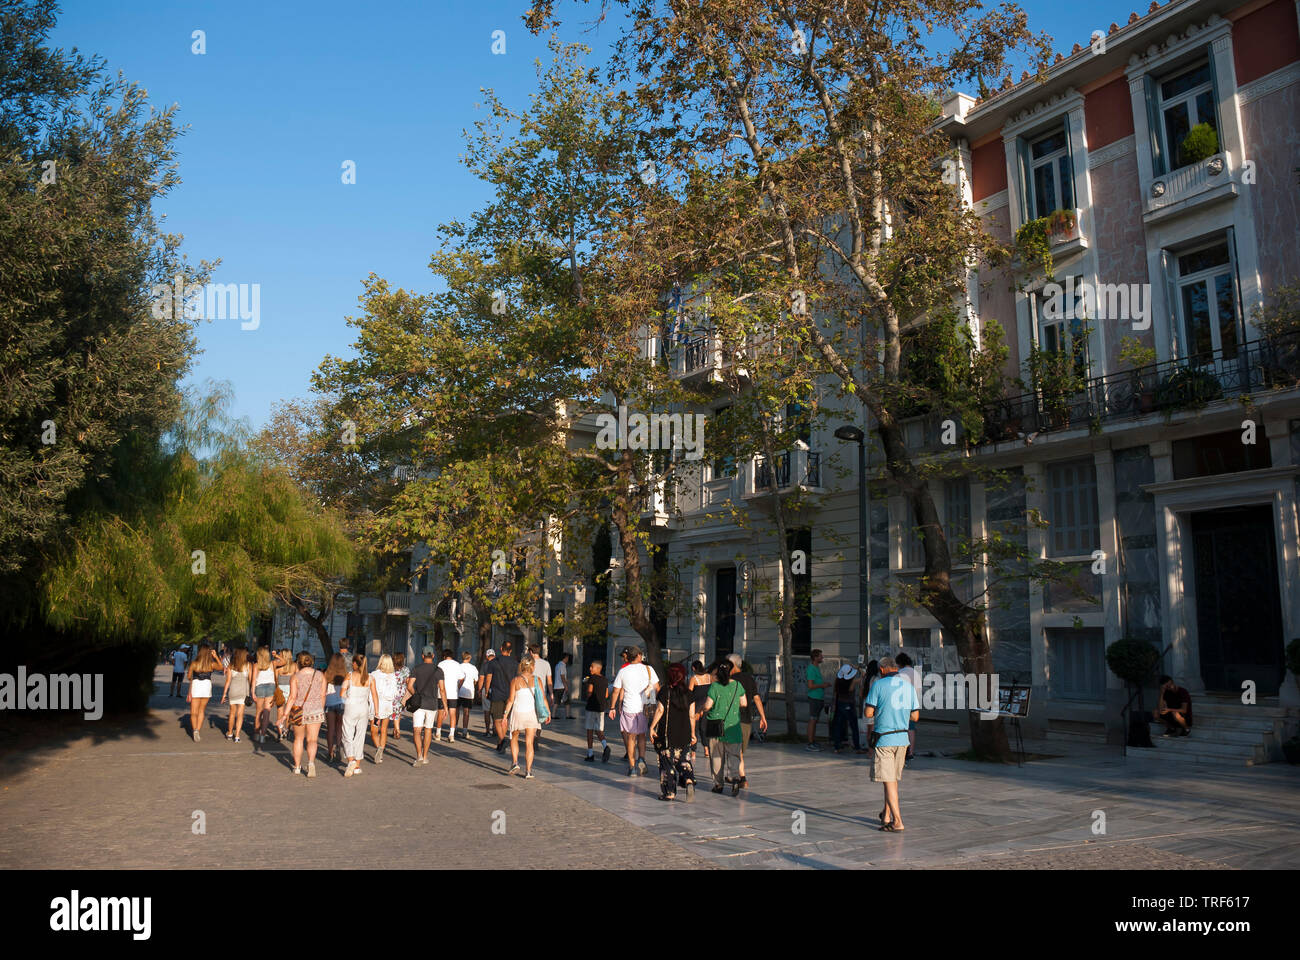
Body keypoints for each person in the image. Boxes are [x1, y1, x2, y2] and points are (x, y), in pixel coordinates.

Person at [864, 656, 920, 831]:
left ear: (881, 669)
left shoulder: (878, 685)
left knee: (888, 780)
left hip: (884, 739)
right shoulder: (908, 687)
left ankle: (898, 821)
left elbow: (868, 713)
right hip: (902, 740)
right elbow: (915, 716)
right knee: (892, 781)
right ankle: (886, 814)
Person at [609, 646, 659, 777]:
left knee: (631, 737)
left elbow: (616, 690)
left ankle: (632, 766)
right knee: (642, 735)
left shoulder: (623, 671)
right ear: (638, 655)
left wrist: (612, 707)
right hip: (645, 707)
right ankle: (642, 758)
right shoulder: (649, 669)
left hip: (629, 707)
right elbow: (657, 687)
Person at [650, 662, 696, 801]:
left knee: (667, 763)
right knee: (683, 759)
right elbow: (692, 715)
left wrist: (652, 727)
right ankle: (688, 780)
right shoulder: (689, 693)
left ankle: (669, 792)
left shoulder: (665, 691)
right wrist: (693, 733)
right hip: (685, 732)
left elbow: (660, 710)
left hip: (667, 733)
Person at [703, 661, 748, 796]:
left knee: (716, 757)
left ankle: (718, 784)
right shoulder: (737, 685)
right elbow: (744, 703)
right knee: (734, 755)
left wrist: (704, 710)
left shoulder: (714, 687)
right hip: (733, 726)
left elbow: (707, 706)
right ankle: (735, 779)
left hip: (716, 727)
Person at [503, 655, 548, 778]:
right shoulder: (537, 680)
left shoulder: (515, 681)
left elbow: (511, 700)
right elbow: (543, 698)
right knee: (529, 743)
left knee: (514, 738)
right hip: (531, 714)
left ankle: (515, 762)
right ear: (532, 666)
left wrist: (505, 715)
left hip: (518, 713)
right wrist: (547, 712)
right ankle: (528, 771)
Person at [725, 653, 766, 787]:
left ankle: (740, 777)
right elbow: (757, 697)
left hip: (732, 720)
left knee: (734, 751)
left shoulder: (729, 680)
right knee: (740, 751)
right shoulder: (749, 679)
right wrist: (763, 717)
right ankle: (740, 777)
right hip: (746, 721)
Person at [285, 652, 325, 777]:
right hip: (316, 711)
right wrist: (320, 708)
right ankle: (311, 763)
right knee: (312, 740)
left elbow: (292, 697)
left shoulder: (295, 677)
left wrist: (285, 714)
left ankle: (297, 767)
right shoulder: (320, 675)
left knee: (298, 739)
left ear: (299, 662)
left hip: (299, 711)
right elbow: (323, 694)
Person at [341, 653, 377, 776]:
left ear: (355, 664)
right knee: (360, 736)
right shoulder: (370, 678)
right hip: (364, 708)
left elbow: (342, 693)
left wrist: (345, 701)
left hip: (351, 706)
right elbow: (374, 696)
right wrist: (376, 712)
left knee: (347, 734)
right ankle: (357, 766)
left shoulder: (350, 676)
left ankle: (351, 760)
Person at [482, 640, 519, 754]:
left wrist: (487, 691)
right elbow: (517, 679)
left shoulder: (494, 662)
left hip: (497, 693)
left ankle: (502, 740)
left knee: (497, 720)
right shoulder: (515, 663)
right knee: (505, 719)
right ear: (510, 651)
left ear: (501, 648)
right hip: (510, 695)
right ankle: (500, 742)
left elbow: (488, 678)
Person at [407, 646, 441, 766]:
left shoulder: (416, 668)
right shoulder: (438, 670)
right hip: (432, 704)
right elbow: (442, 689)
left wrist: (415, 695)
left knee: (417, 730)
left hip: (419, 703)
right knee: (428, 729)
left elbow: (409, 685)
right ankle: (426, 756)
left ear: (422, 656)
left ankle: (419, 756)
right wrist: (446, 707)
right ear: (433, 656)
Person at [185, 642, 223, 742]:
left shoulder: (194, 663)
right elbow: (221, 668)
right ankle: (197, 730)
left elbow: (189, 677)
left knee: (193, 712)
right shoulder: (211, 664)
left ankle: (195, 731)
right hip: (206, 686)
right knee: (201, 710)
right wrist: (216, 657)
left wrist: (192, 675)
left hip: (196, 685)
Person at [370, 653, 399, 762]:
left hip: (376, 706)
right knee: (384, 729)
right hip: (387, 705)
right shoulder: (393, 676)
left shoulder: (374, 674)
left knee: (374, 730)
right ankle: (381, 749)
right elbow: (395, 692)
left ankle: (379, 748)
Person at [220, 647, 253, 743]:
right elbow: (250, 680)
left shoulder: (231, 665)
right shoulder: (248, 665)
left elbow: (228, 681)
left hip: (233, 692)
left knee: (232, 713)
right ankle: (237, 736)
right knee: (240, 715)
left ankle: (230, 733)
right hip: (243, 692)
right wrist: (251, 692)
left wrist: (224, 694)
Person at [831, 663, 865, 754]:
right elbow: (863, 676)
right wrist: (858, 668)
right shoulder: (852, 682)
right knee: (854, 726)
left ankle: (836, 747)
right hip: (849, 704)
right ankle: (857, 747)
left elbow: (835, 693)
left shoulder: (838, 680)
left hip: (839, 703)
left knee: (838, 726)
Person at [582, 660, 610, 762]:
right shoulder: (605, 679)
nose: (590, 668)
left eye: (592, 667)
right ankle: (605, 746)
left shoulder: (591, 679)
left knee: (589, 730)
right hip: (601, 708)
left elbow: (589, 692)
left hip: (591, 707)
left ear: (598, 668)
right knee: (599, 730)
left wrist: (587, 691)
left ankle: (590, 754)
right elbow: (606, 695)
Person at [322, 653, 347, 763]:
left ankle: (330, 752)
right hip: (342, 702)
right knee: (339, 727)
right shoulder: (346, 674)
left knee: (330, 728)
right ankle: (339, 746)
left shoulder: (326, 674)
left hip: (330, 702)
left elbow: (323, 690)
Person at [896, 652, 921, 760]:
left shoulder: (900, 673)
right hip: (913, 703)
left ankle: (901, 751)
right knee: (911, 728)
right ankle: (911, 752)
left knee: (901, 727)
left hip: (902, 703)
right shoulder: (916, 673)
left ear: (900, 663)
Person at [251, 645, 277, 743]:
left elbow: (253, 680)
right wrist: (276, 655)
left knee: (258, 713)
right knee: (266, 713)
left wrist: (252, 692)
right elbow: (283, 661)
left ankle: (257, 733)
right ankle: (263, 735)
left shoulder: (256, 665)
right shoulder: (272, 664)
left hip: (259, 687)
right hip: (270, 687)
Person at [435, 649, 462, 742]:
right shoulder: (457, 664)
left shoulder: (440, 664)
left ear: (444, 656)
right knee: (452, 713)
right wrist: (458, 686)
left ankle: (438, 733)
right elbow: (462, 677)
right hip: (453, 693)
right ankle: (451, 734)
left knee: (440, 713)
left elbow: (436, 678)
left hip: (442, 693)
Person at [805, 648, 829, 750]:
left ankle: (813, 740)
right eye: (820, 656)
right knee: (812, 720)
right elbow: (810, 685)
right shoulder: (811, 669)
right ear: (815, 658)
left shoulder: (816, 668)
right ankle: (810, 743)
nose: (822, 657)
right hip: (814, 697)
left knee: (815, 720)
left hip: (818, 697)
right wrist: (822, 685)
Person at [688, 661, 712, 761]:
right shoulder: (709, 677)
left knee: (694, 729)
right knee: (704, 728)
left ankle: (693, 752)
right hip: (707, 705)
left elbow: (689, 693)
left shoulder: (694, 679)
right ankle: (706, 750)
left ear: (693, 668)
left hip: (696, 706)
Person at [274, 649, 296, 739]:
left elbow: (275, 679)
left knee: (280, 712)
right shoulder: (294, 666)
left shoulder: (278, 667)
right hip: (291, 689)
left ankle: (280, 733)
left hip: (280, 689)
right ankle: (286, 730)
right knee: (288, 713)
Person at [456, 651, 478, 740]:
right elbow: (476, 680)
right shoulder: (473, 668)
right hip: (468, 692)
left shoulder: (458, 667)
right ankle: (464, 730)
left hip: (458, 690)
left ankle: (455, 728)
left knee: (456, 711)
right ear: (469, 658)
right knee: (466, 712)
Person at [389, 652, 409, 742]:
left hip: (392, 692)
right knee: (398, 712)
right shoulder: (406, 669)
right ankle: (396, 729)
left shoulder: (390, 669)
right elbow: (408, 682)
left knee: (393, 712)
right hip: (402, 693)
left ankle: (396, 730)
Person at [479, 649, 496, 736]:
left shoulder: (485, 665)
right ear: (494, 655)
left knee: (487, 711)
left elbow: (481, 678)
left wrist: (479, 690)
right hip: (497, 689)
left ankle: (487, 731)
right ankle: (495, 729)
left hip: (487, 689)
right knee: (496, 711)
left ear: (486, 656)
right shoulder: (498, 664)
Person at [553, 653, 571, 719]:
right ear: (565, 658)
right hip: (561, 686)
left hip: (557, 686)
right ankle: (567, 715)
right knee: (566, 701)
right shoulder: (562, 665)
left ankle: (553, 715)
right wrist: (566, 686)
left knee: (557, 702)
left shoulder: (557, 665)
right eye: (567, 658)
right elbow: (562, 676)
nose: (568, 660)